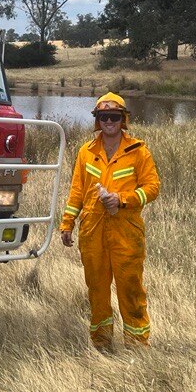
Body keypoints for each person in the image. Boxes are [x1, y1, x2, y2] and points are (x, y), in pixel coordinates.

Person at [59, 92, 160, 351]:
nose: (109, 121)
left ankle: (137, 346)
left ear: (123, 119)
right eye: (103, 117)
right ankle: (101, 344)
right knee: (97, 290)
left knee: (131, 289)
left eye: (114, 116)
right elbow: (77, 191)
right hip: (92, 231)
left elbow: (152, 188)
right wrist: (68, 222)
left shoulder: (138, 151)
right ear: (97, 120)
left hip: (126, 231)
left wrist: (123, 199)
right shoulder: (86, 151)